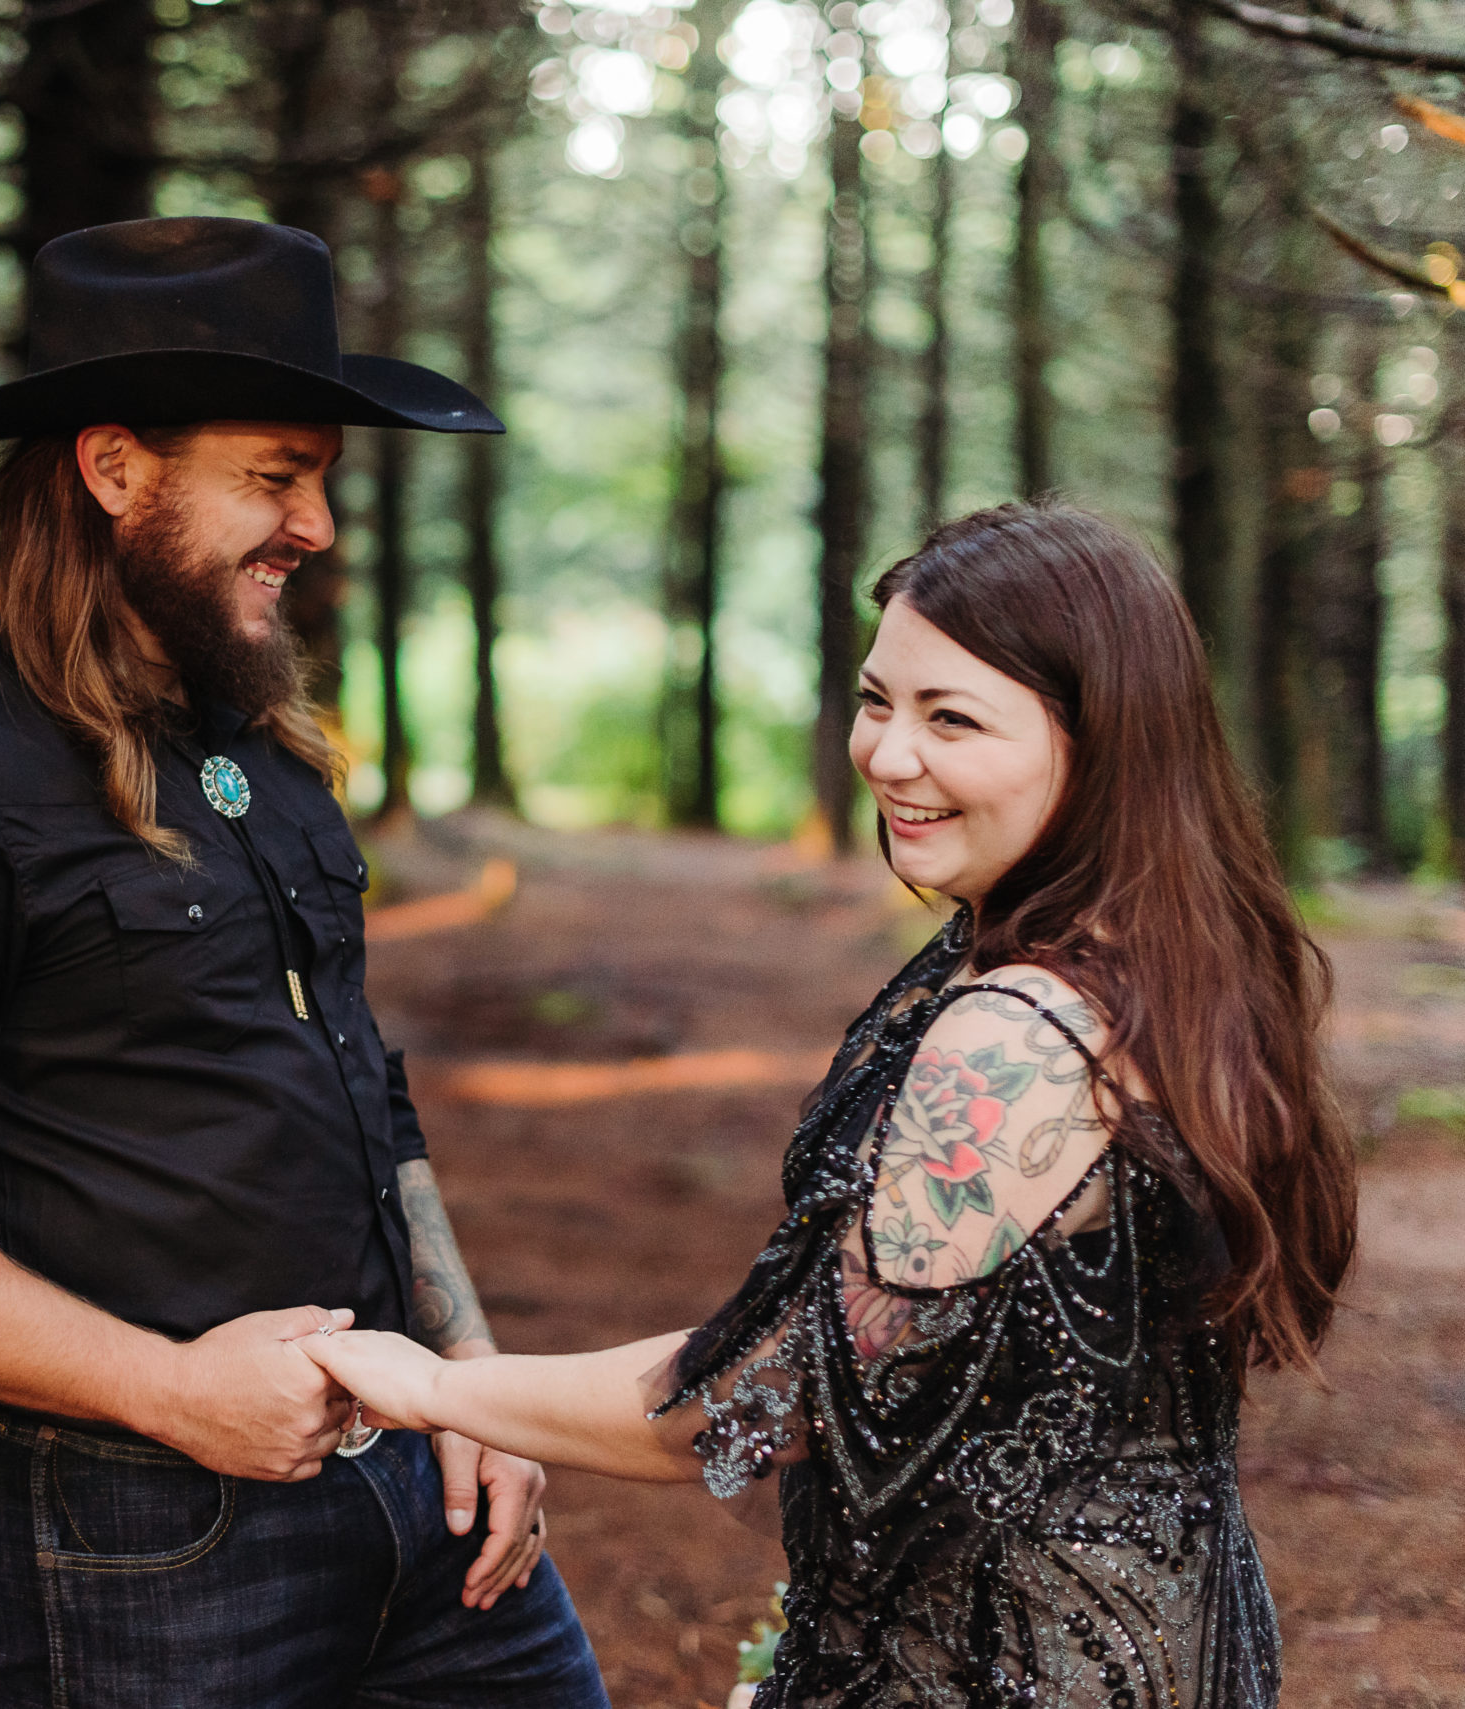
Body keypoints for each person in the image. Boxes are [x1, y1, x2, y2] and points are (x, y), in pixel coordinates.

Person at [0, 217, 611, 1708]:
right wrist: (173, 1392)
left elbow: (359, 1081)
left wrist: (473, 1386)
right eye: (275, 476)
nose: (318, 527)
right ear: (114, 467)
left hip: (415, 1478)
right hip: (136, 1531)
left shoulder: (254, 740)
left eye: (321, 480)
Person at [300, 502, 1359, 1708]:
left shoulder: (1021, 1032)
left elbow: (755, 1395)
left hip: (1009, 1667)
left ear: (1103, 739)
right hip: (1163, 1632)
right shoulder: (1170, 951)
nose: (887, 755)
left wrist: (431, 1383)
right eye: (876, 699)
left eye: (951, 717)